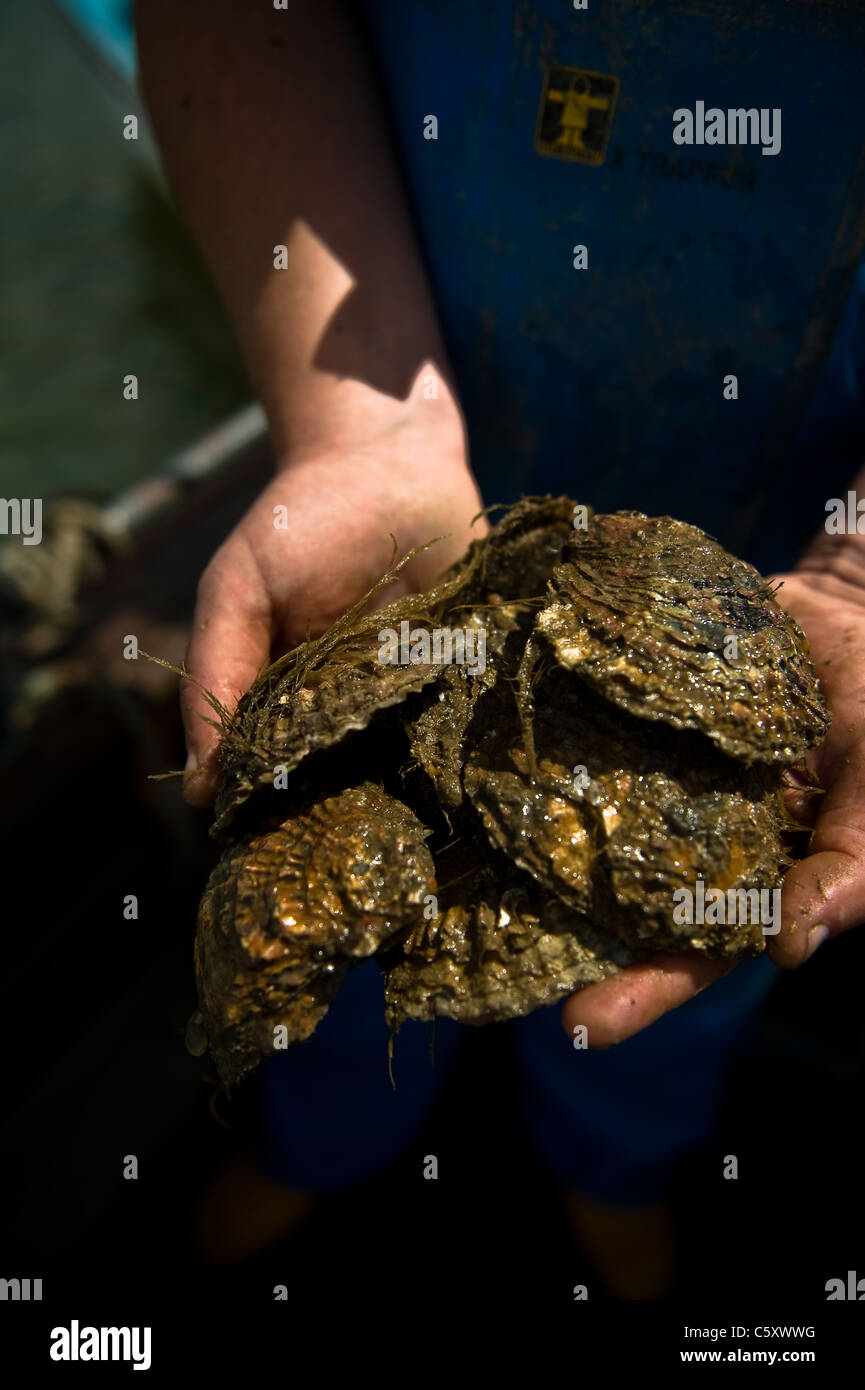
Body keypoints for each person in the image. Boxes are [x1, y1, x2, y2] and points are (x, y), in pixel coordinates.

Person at [135, 0, 865, 1296]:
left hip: (804, 535)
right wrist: (351, 428)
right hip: (409, 467)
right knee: (331, 932)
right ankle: (323, 1143)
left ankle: (612, 1165)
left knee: (688, 959)